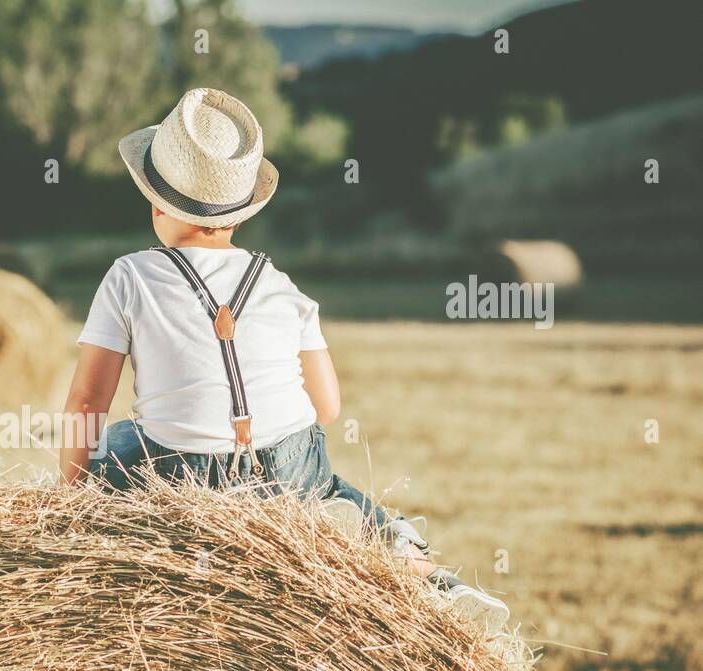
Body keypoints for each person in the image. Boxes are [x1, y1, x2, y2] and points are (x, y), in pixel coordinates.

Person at [57, 87, 508, 632]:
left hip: (179, 474)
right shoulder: (281, 285)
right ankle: (410, 560)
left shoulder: (128, 276)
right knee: (328, 484)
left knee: (119, 442)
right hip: (287, 465)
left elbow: (87, 399)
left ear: (156, 201)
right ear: (241, 214)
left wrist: (69, 502)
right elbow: (327, 407)